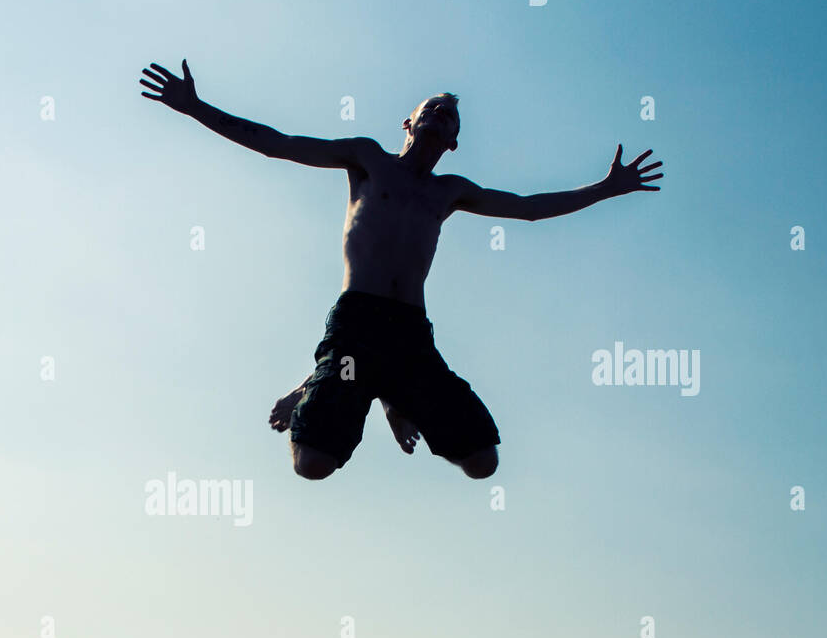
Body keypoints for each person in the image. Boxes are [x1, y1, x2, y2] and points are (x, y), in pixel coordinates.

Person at [139, 59, 662, 480]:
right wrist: (195, 108)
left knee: (483, 462)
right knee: (312, 465)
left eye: (450, 117)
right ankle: (336, 387)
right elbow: (279, 143)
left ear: (453, 141)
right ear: (409, 123)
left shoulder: (448, 190)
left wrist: (605, 187)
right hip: (357, 323)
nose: (440, 116)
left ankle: (393, 392)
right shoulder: (367, 159)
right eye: (431, 109)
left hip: (411, 334)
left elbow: (526, 206)